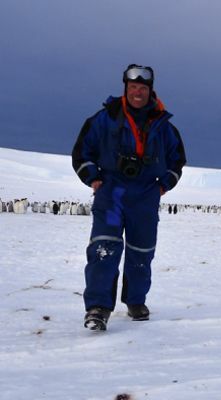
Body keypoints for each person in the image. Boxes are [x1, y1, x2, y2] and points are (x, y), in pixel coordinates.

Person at [72, 64, 186, 330]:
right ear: (126, 88)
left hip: (146, 194)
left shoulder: (164, 125)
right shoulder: (105, 118)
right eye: (133, 87)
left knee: (142, 251)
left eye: (142, 88)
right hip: (113, 192)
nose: (138, 92)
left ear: (150, 90)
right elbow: (82, 152)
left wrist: (163, 185)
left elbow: (177, 160)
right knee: (104, 248)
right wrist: (93, 177)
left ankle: (136, 300)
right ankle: (98, 307)